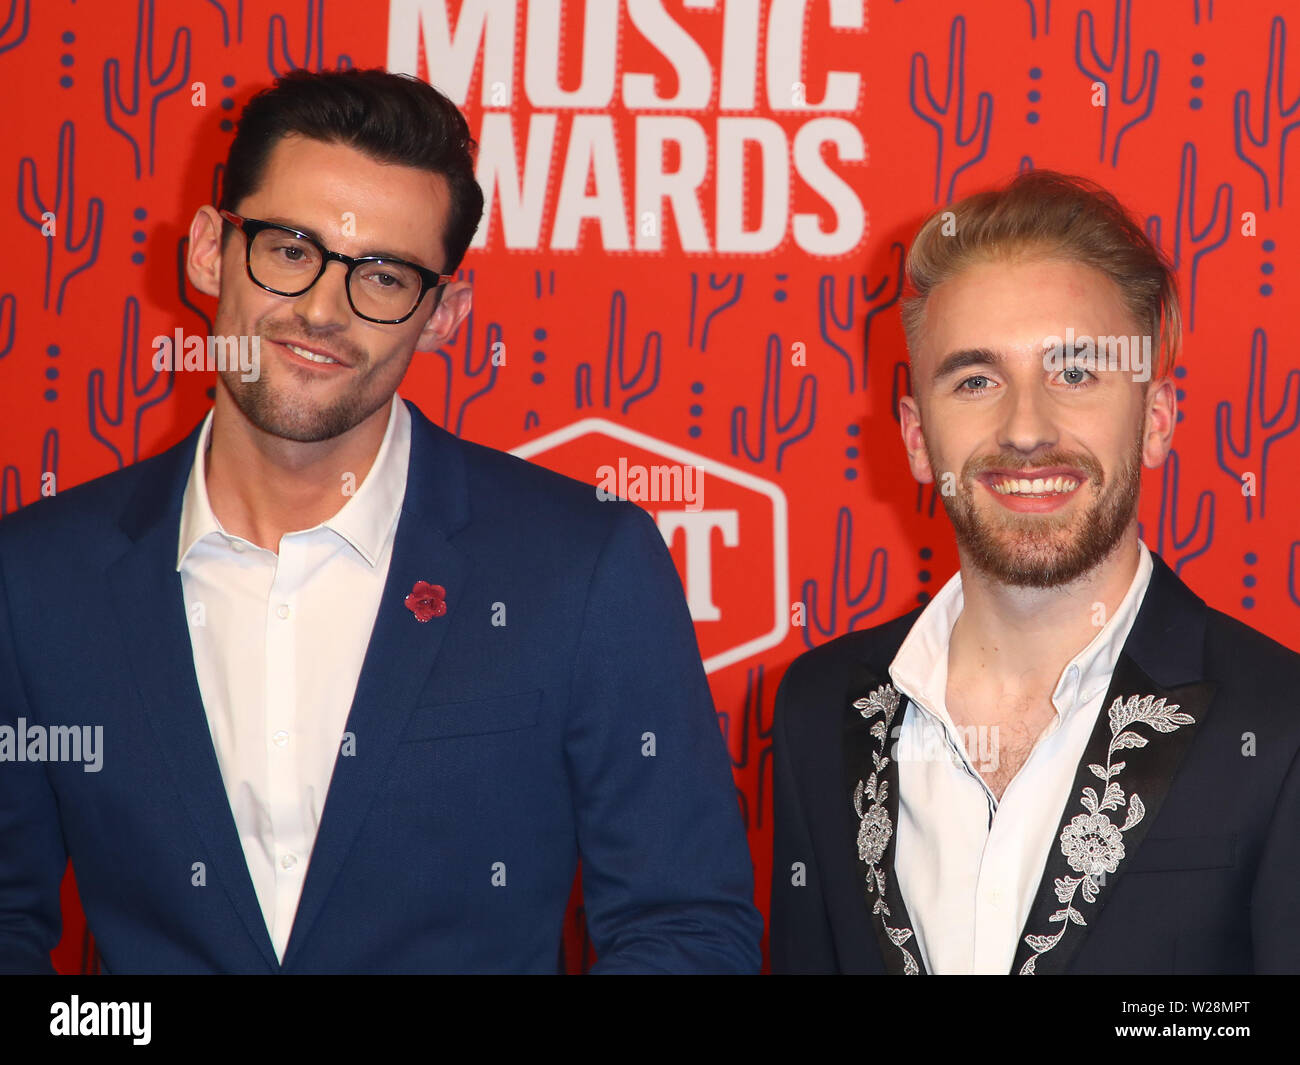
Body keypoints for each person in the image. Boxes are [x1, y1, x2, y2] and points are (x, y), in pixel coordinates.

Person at [0, 68, 761, 974]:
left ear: (443, 314)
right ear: (208, 250)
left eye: (385, 275)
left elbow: (686, 931)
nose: (323, 308)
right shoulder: (40, 579)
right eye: (289, 248)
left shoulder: (582, 565)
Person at [770, 170, 1300, 974]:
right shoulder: (819, 709)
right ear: (917, 437)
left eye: (1076, 373)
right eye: (977, 379)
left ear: (1155, 420)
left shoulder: (1282, 724)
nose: (1025, 428)